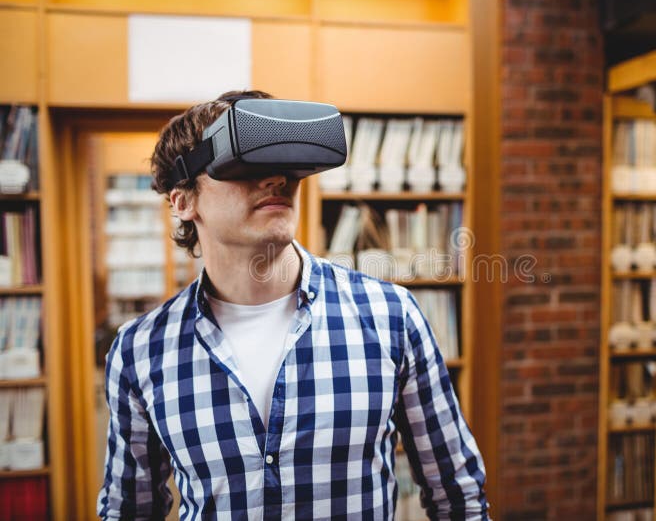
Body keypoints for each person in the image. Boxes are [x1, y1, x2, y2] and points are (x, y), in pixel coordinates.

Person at [96, 90, 489, 519]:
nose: (276, 180)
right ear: (183, 200)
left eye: (286, 164)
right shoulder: (141, 351)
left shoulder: (391, 318)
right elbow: (128, 511)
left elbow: (459, 497)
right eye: (245, 164)